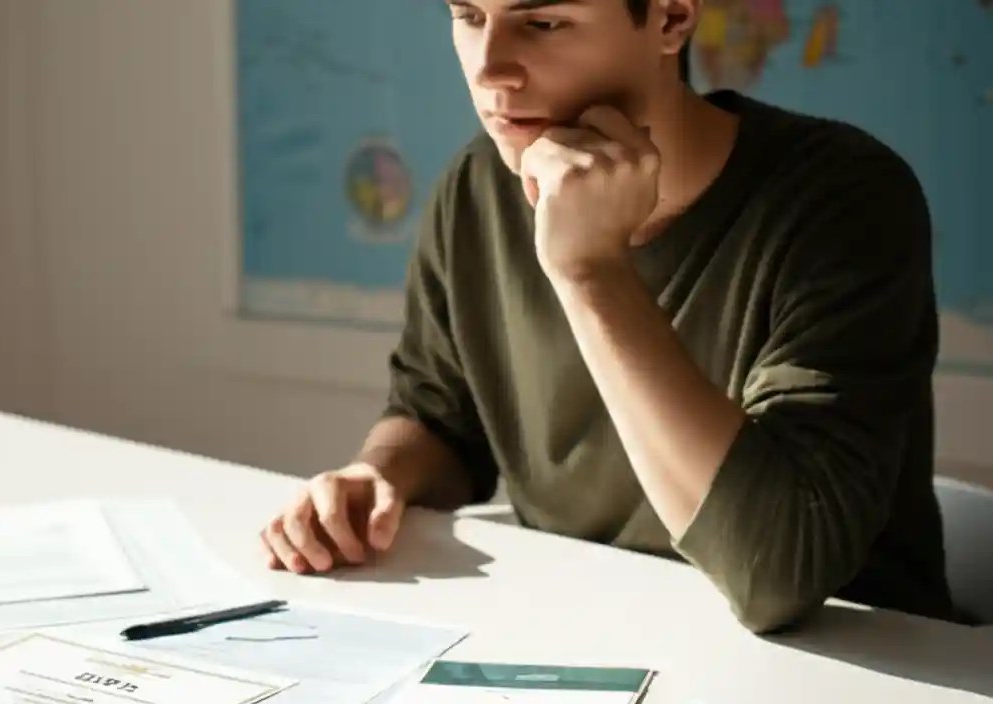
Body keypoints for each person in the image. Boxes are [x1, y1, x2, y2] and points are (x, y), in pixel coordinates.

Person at [258, 0, 953, 634]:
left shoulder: (846, 201)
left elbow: (776, 573)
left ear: (672, 17)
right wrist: (381, 473)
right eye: (468, 16)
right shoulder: (476, 188)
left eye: (542, 23)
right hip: (596, 636)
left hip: (858, 667)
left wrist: (591, 271)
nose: (490, 70)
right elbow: (439, 416)